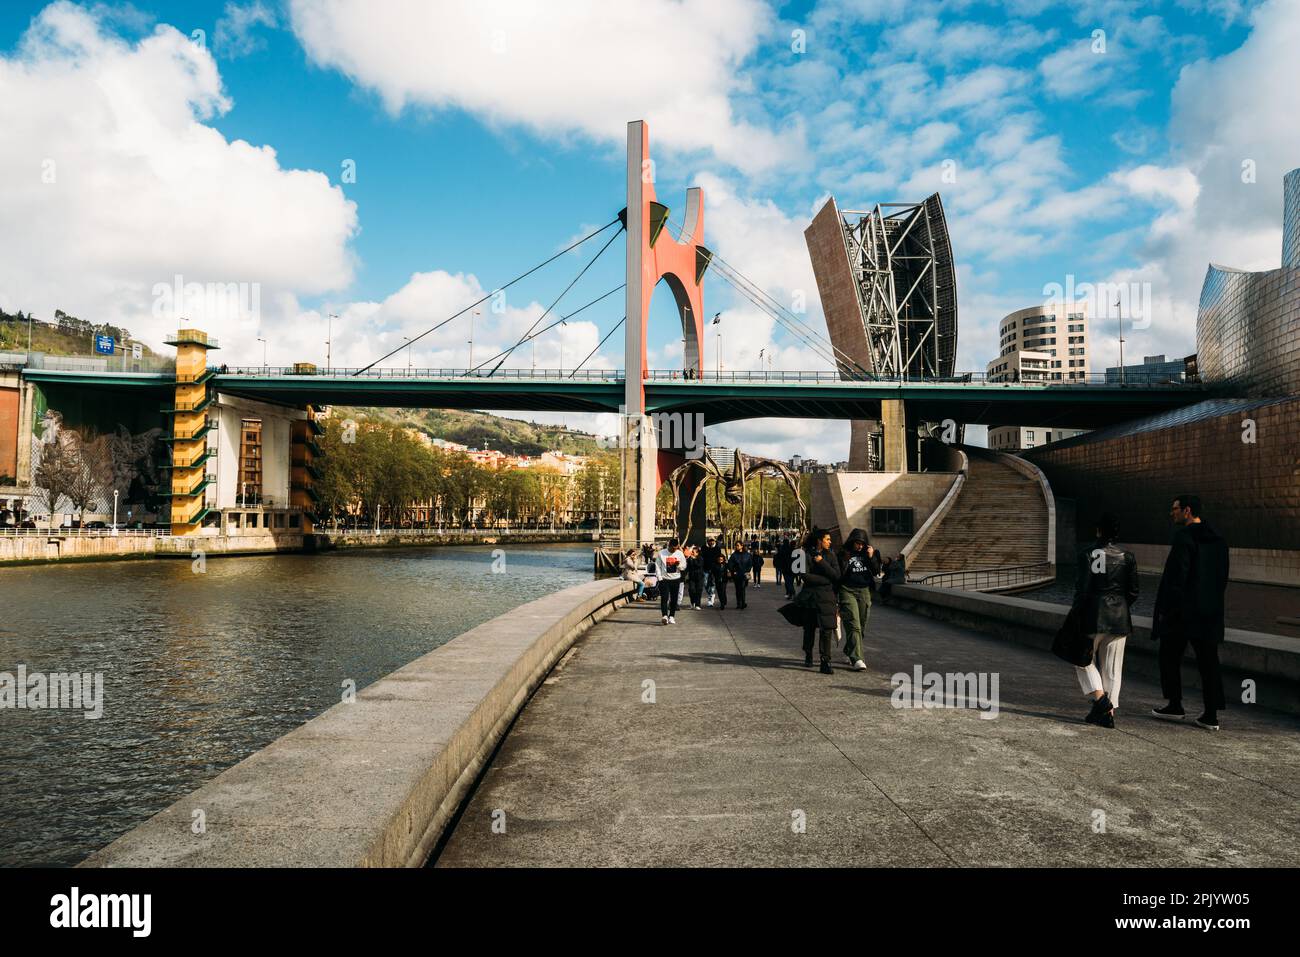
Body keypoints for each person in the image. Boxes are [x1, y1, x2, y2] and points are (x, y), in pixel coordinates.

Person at [1151, 494, 1230, 731]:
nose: (1171, 512)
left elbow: (1177, 578)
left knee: (1169, 655)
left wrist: (1167, 610)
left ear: (1187, 511)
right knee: (1209, 663)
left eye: (1174, 509)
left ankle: (1175, 705)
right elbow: (1222, 577)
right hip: (1210, 613)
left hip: (1183, 614)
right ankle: (1211, 715)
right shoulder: (1219, 540)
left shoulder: (1183, 538)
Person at [1072, 513, 1139, 728]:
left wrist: (1077, 612)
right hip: (1119, 618)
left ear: (1098, 531)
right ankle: (1108, 713)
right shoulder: (1127, 557)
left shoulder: (1088, 554)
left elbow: (1082, 589)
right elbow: (1133, 592)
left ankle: (1101, 701)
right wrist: (1118, 606)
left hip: (1093, 615)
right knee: (1113, 668)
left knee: (1082, 659)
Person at [837, 528, 880, 672]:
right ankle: (857, 658)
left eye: (862, 543)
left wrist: (871, 556)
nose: (860, 546)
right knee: (853, 623)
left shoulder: (868, 554)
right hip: (847, 590)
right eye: (857, 543)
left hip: (864, 591)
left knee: (862, 624)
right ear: (851, 541)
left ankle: (849, 650)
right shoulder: (844, 553)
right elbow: (838, 574)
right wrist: (845, 559)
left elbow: (876, 571)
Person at [799, 528, 840, 674]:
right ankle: (808, 654)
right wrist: (826, 580)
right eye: (827, 539)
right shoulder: (805, 555)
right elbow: (805, 576)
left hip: (827, 598)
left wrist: (822, 562)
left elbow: (836, 575)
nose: (830, 542)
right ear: (819, 541)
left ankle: (825, 661)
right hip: (810, 597)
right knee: (809, 628)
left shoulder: (831, 555)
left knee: (827, 630)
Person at [656, 538, 687, 625]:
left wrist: (679, 565)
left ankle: (672, 616)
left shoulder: (679, 553)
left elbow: (684, 566)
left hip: (676, 579)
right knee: (664, 598)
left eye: (675, 548)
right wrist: (659, 578)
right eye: (672, 548)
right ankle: (665, 616)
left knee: (674, 599)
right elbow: (657, 566)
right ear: (669, 546)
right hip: (664, 579)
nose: (674, 550)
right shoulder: (661, 553)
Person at [727, 541, 753, 609]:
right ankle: (739, 603)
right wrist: (733, 571)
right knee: (738, 589)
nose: (736, 546)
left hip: (744, 574)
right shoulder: (734, 555)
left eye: (738, 545)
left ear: (742, 546)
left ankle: (743, 603)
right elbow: (730, 564)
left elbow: (750, 564)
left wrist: (747, 571)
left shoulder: (747, 555)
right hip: (737, 574)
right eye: (736, 545)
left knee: (742, 588)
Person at [702, 536, 723, 606]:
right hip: (705, 569)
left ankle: (710, 599)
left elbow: (719, 559)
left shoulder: (717, 548)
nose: (711, 542)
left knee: (712, 584)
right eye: (710, 541)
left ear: (714, 541)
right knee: (705, 583)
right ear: (707, 541)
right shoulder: (704, 548)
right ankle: (711, 594)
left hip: (714, 569)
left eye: (712, 541)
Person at [685, 544, 705, 610]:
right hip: (692, 577)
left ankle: (697, 604)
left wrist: (693, 560)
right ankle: (692, 602)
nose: (692, 553)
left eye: (694, 552)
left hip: (699, 577)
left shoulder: (700, 558)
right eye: (692, 552)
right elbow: (687, 567)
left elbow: (698, 565)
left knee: (699, 590)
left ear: (697, 553)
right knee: (691, 590)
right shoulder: (689, 559)